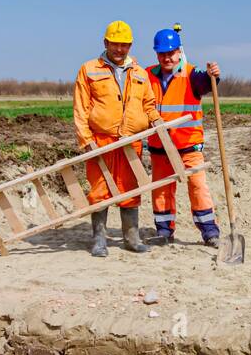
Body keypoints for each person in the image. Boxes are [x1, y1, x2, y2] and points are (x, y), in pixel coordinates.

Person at [73, 20, 162, 256]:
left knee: (130, 188)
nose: (119, 50)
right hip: (101, 141)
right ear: (106, 43)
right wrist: (85, 139)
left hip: (131, 141)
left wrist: (156, 120)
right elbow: (81, 108)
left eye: (124, 45)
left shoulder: (140, 73)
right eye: (115, 45)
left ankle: (131, 239)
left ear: (130, 45)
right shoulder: (89, 69)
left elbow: (149, 104)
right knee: (100, 189)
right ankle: (99, 241)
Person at [145, 27, 223, 246]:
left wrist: (212, 76)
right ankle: (163, 231)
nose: (167, 57)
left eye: (171, 53)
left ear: (179, 51)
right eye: (162, 53)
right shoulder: (147, 75)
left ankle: (209, 232)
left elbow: (206, 84)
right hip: (160, 147)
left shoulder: (191, 74)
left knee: (198, 187)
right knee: (161, 190)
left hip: (188, 146)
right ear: (156, 54)